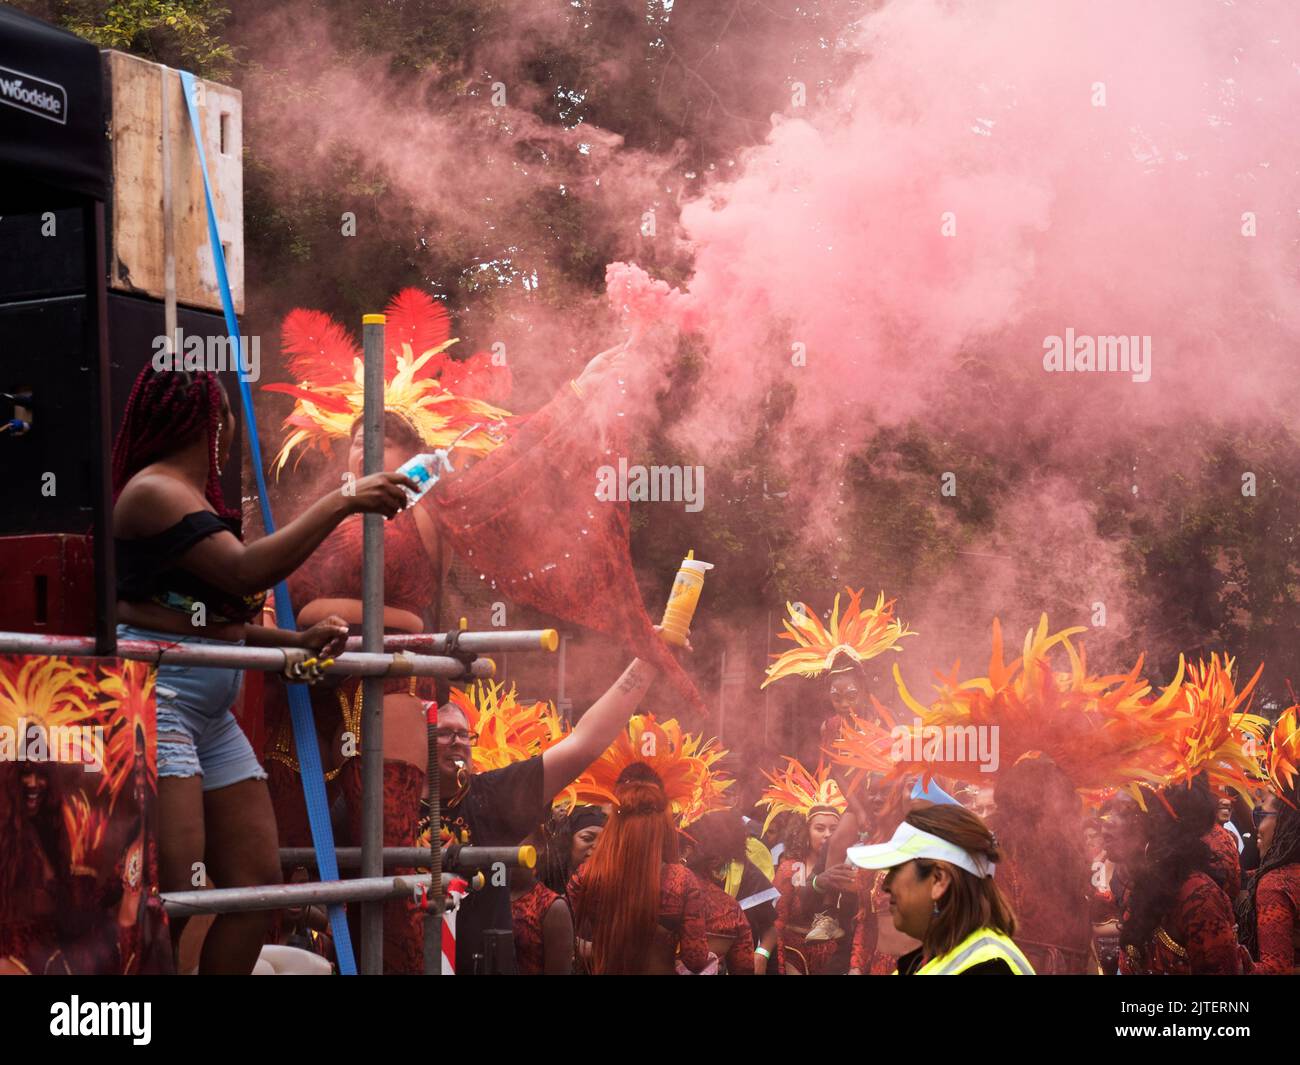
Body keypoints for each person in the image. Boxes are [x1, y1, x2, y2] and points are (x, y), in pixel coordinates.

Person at [111, 364, 412, 974]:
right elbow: (246, 573)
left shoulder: (190, 497)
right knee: (180, 892)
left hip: (211, 715)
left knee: (254, 887)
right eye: (224, 417)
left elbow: (210, 623)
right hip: (160, 701)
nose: (228, 433)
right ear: (209, 424)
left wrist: (289, 640)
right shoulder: (154, 489)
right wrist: (346, 498)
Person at [437, 649, 668, 974]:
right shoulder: (383, 802)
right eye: (444, 733)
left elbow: (584, 743)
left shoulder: (489, 797)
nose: (458, 742)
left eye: (463, 734)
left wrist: (647, 662)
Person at [847, 801, 1034, 975]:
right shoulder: (931, 957)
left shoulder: (989, 967)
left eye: (896, 869)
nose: (886, 885)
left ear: (938, 879)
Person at [567, 772, 709, 975]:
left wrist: (596, 950)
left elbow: (561, 938)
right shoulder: (681, 881)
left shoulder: (589, 874)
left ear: (615, 825)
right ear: (661, 825)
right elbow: (695, 959)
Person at [1104, 777, 1244, 975]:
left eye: (1124, 810)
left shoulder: (1198, 896)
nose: (1108, 822)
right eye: (1110, 809)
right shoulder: (1138, 884)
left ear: (1154, 823)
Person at [756, 757, 850, 974]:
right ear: (806, 831)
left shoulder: (848, 867)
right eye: (820, 828)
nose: (827, 835)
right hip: (795, 951)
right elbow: (777, 919)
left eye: (833, 829)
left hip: (835, 956)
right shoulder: (790, 868)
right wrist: (764, 954)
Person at [509, 831, 574, 975]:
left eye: (515, 838)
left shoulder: (552, 907)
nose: (507, 848)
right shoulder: (488, 896)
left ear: (537, 847)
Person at [537, 805, 606, 896]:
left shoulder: (610, 887)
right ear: (568, 841)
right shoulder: (544, 881)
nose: (597, 846)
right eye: (587, 838)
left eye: (604, 841)